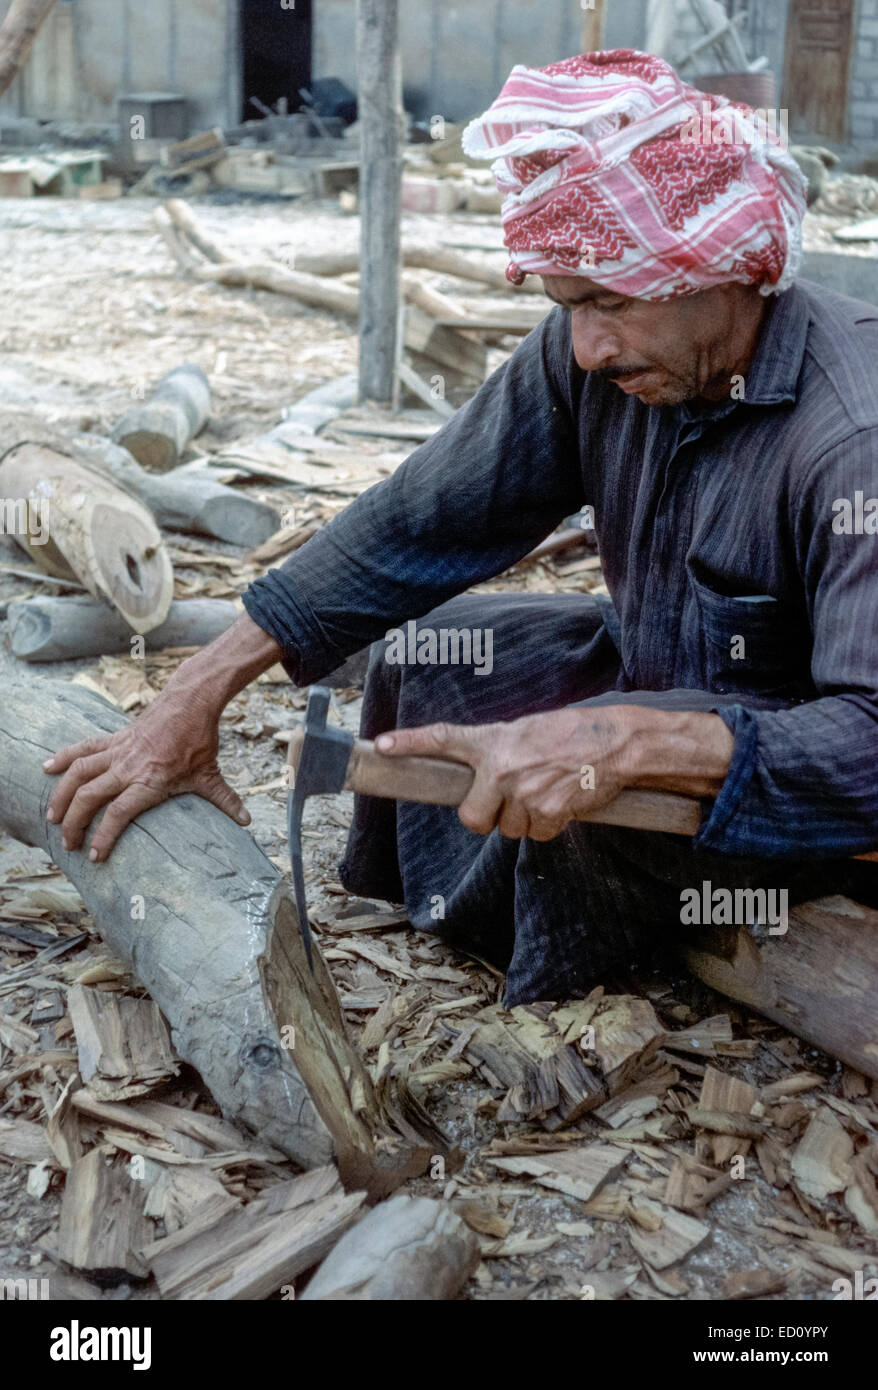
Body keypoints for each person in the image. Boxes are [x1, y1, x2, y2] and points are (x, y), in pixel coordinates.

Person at [44, 51, 878, 1003]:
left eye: (610, 300)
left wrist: (619, 744)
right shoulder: (601, 362)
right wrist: (198, 690)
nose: (586, 345)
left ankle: (579, 977)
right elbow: (418, 517)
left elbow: (867, 740)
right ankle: (448, 918)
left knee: (579, 790)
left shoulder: (854, 435)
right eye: (566, 305)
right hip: (670, 678)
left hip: (815, 790)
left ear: (730, 267)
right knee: (436, 657)